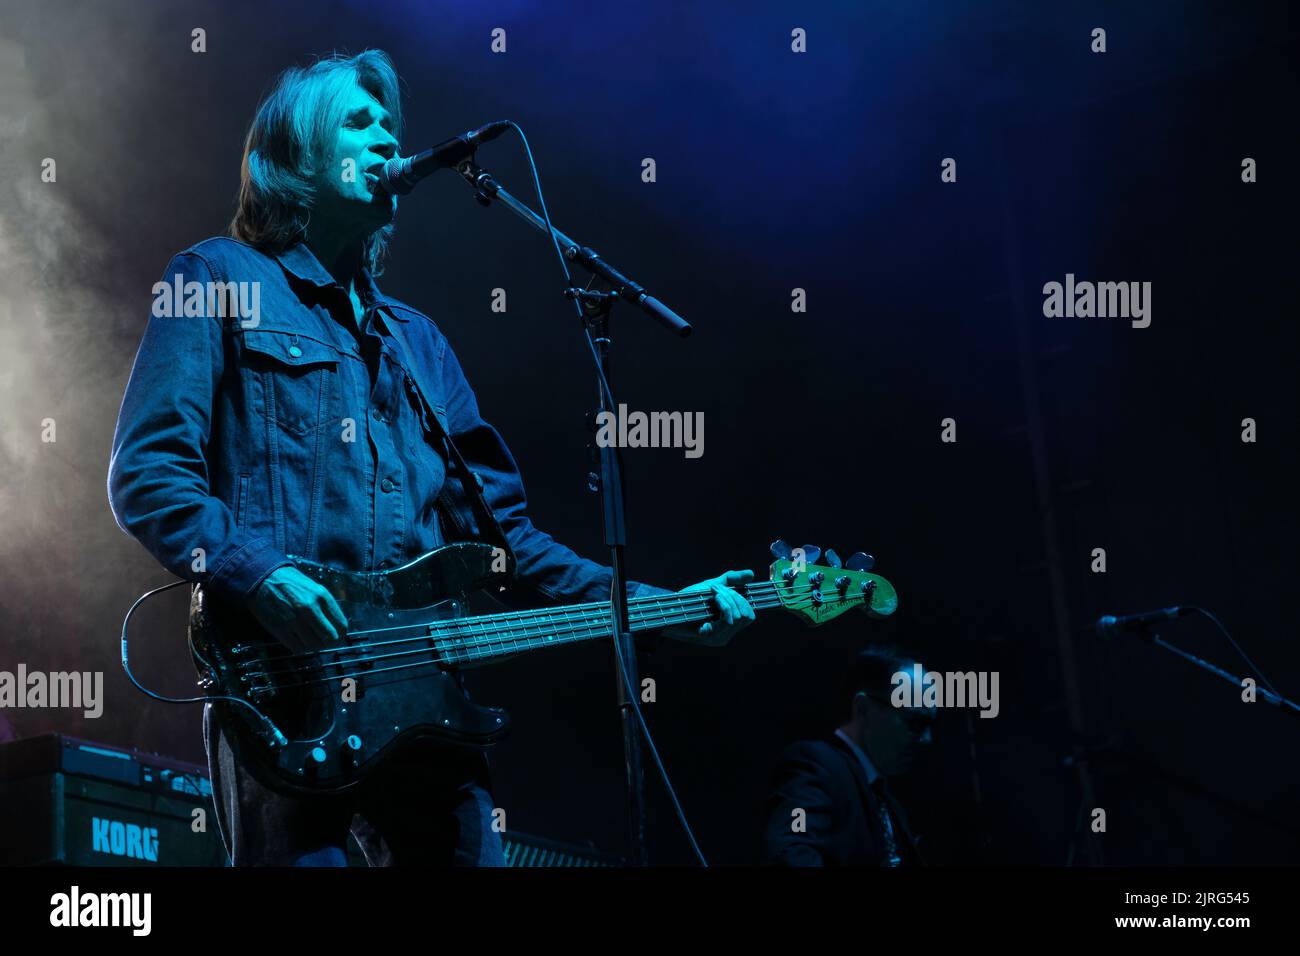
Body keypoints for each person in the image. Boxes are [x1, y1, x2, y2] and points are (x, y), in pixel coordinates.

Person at [107, 50, 754, 866]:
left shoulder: (419, 344)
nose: (385, 137)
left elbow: (509, 543)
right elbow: (148, 473)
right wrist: (259, 573)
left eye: (389, 124)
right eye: (357, 120)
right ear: (294, 154)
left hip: (431, 717)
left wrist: (666, 607)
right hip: (286, 700)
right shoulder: (214, 278)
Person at [761, 646, 934, 866]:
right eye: (915, 722)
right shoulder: (813, 767)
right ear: (863, 709)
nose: (927, 738)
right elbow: (792, 848)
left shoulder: (886, 801)